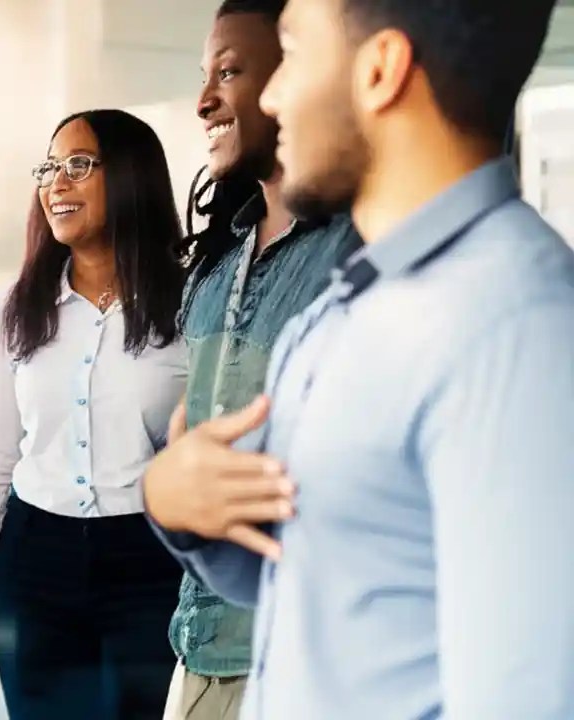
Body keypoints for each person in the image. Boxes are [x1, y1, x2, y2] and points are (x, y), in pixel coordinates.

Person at [146, 0, 572, 717]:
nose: (275, 96)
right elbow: (325, 571)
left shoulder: (520, 329)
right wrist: (177, 502)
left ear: (380, 72)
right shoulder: (345, 308)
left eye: (294, 54)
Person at [159, 2, 362, 717]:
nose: (204, 100)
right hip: (198, 645)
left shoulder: (356, 254)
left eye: (230, 71)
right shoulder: (213, 267)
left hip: (301, 658)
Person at [0, 109, 187, 719]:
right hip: (36, 560)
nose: (57, 183)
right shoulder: (16, 306)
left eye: (79, 165)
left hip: (151, 561)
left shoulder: (189, 299)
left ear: (131, 176)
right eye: (50, 168)